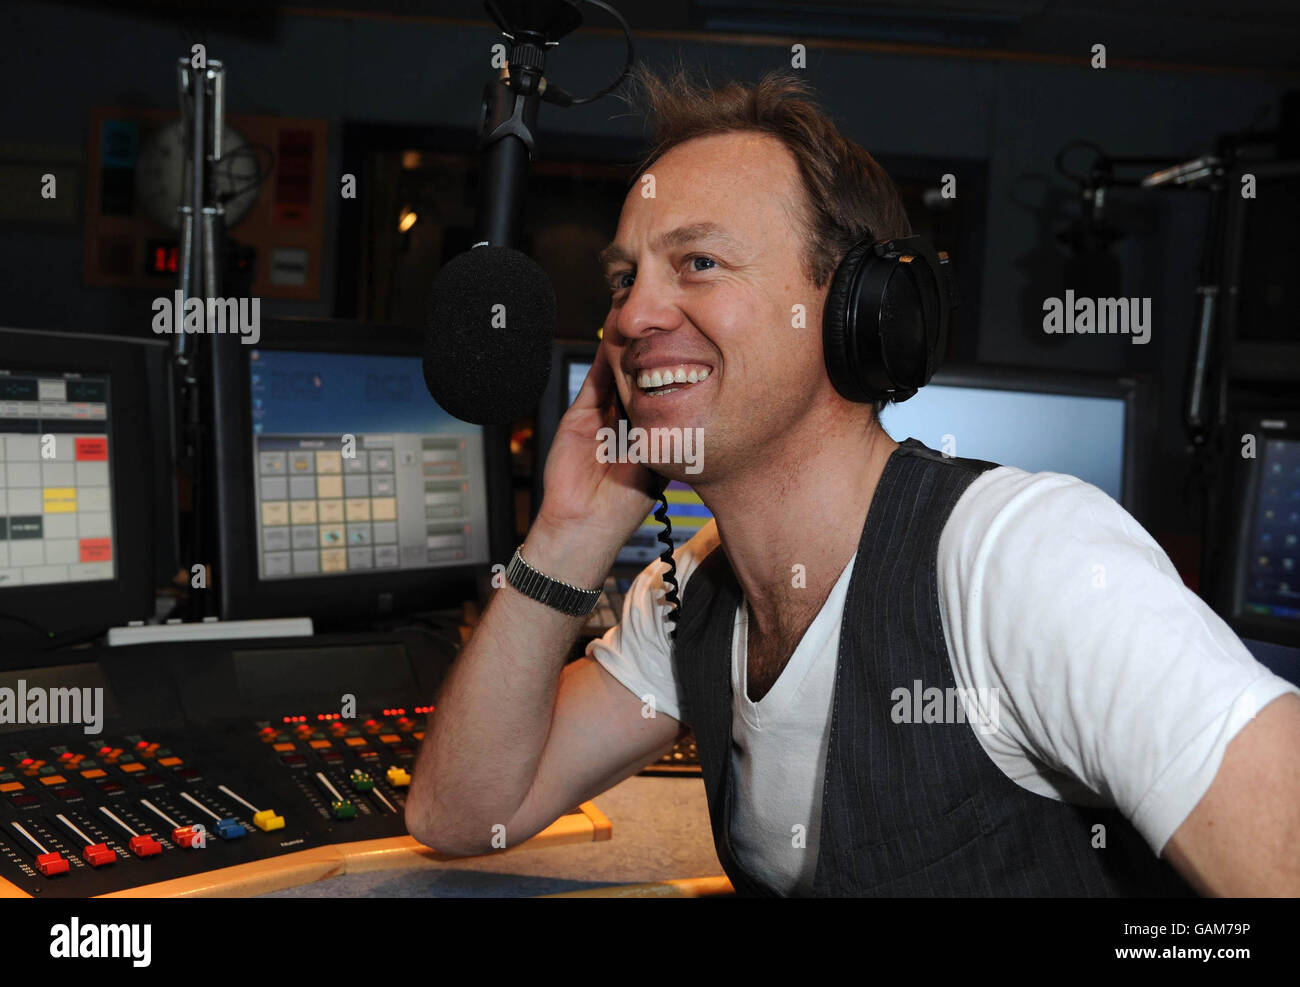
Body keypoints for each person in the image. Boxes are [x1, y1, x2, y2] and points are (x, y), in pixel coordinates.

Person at [407, 66, 1300, 896]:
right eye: (622, 278)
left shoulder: (1020, 561)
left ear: (855, 309)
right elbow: (460, 814)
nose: (633, 314)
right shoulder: (689, 601)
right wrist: (566, 529)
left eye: (699, 263)